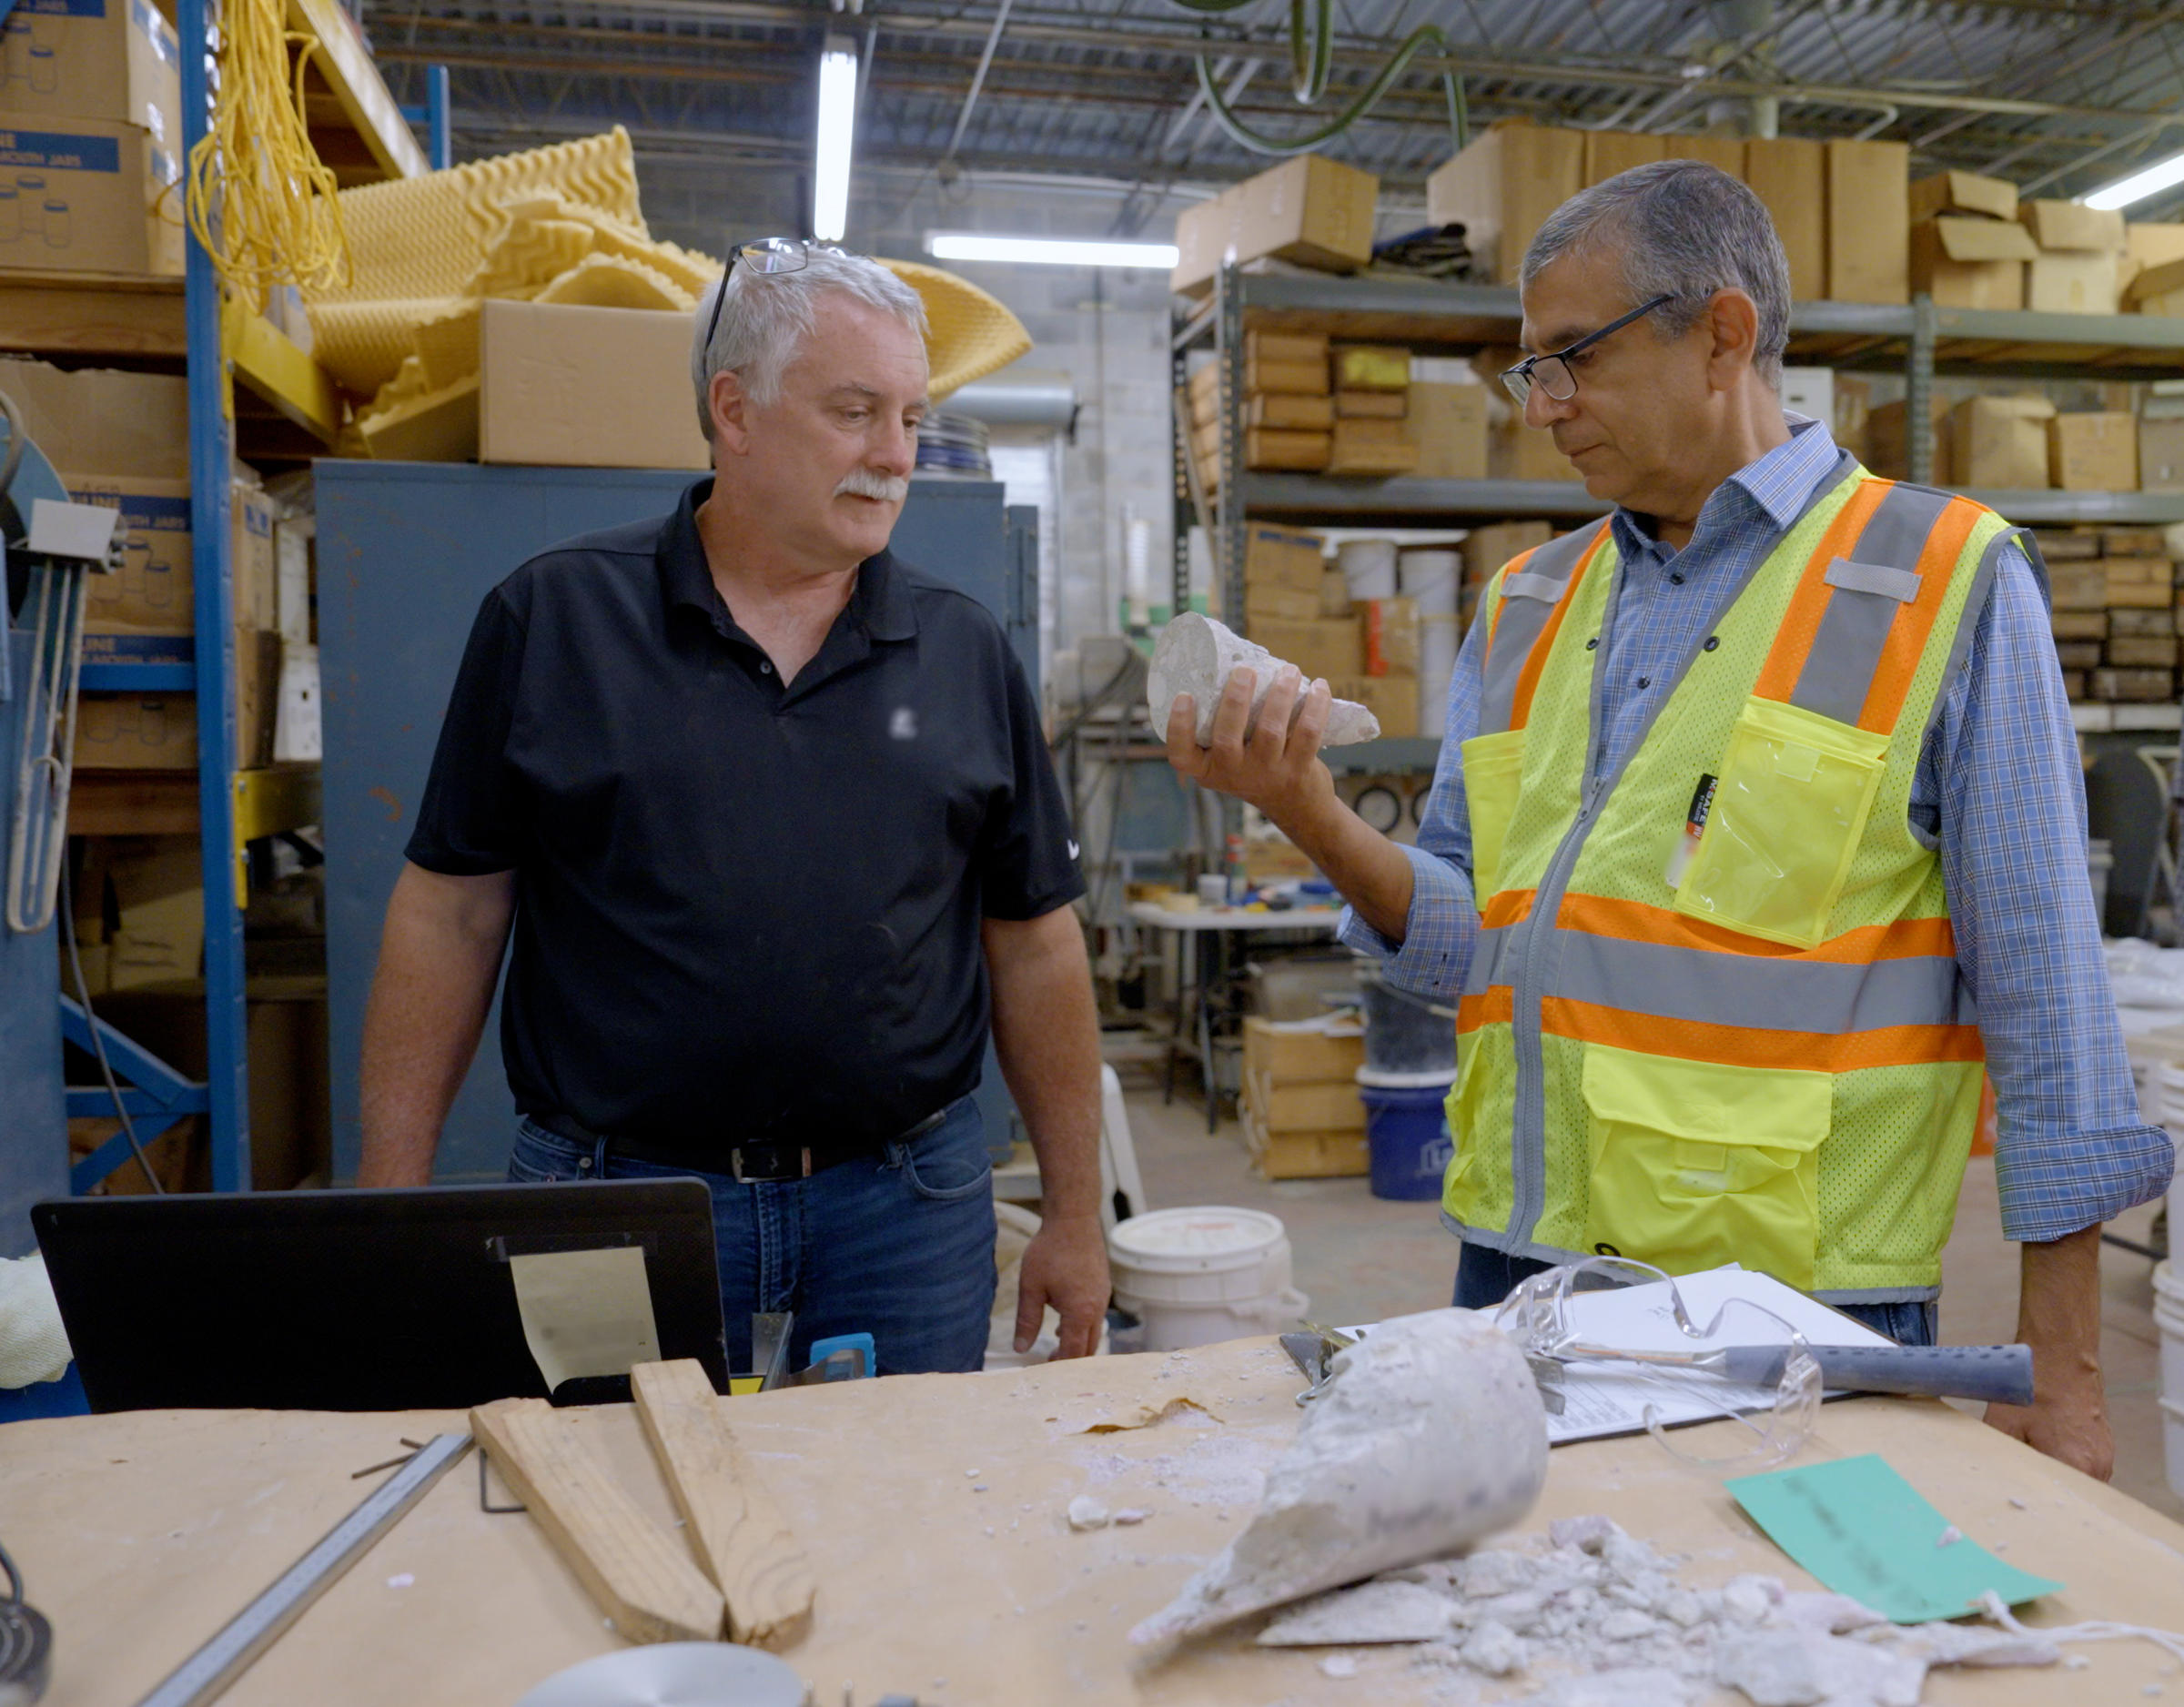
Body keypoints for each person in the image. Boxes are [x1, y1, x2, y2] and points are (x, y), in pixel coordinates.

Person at [1167, 161, 2173, 1477]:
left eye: (1572, 360)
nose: (1548, 409)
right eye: (1529, 372)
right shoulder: (1527, 605)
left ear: (1724, 334)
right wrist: (1303, 808)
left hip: (1794, 1306)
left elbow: (2045, 997)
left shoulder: (1939, 582)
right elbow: (1470, 940)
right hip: (1518, 1273)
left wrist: (2067, 1370)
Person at [359, 241, 1109, 1375]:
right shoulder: (555, 619)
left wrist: (1073, 1211)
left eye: (910, 417)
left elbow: (1038, 944)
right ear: (735, 411)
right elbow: (449, 918)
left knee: (904, 1524)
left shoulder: (962, 649)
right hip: (615, 1199)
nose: (894, 455)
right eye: (856, 412)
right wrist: (391, 1208)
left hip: (904, 1207)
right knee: (612, 1518)